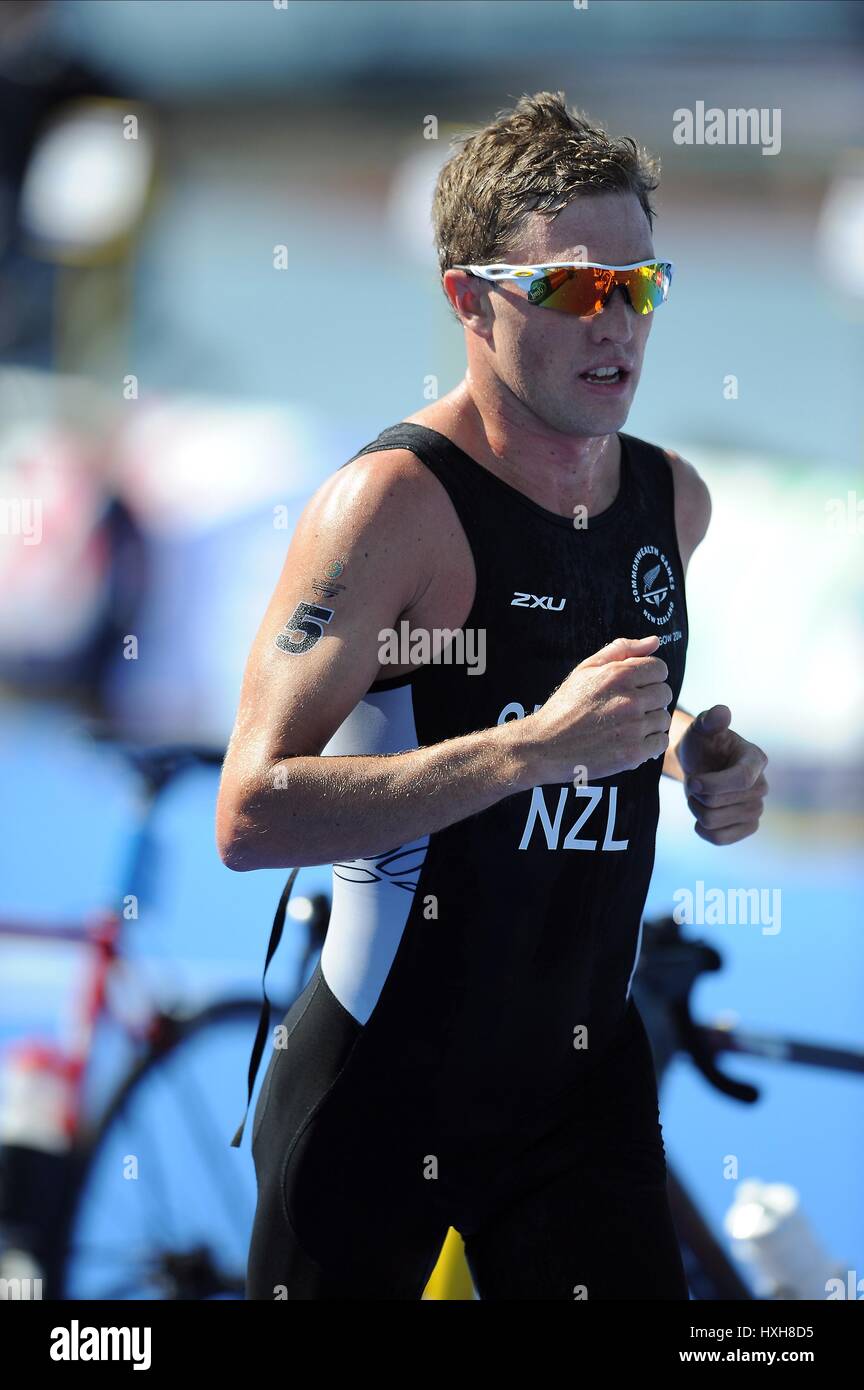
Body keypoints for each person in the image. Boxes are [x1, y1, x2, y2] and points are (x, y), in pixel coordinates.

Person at [216, 90, 769, 1301]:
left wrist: (690, 755)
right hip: (383, 1082)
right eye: (575, 287)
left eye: (643, 283)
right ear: (470, 300)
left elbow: (556, 696)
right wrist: (534, 756)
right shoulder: (390, 509)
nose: (616, 319)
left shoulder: (671, 501)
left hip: (580, 1097)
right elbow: (252, 815)